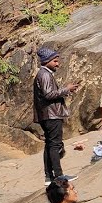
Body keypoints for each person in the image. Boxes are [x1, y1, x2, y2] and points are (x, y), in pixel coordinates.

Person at [33, 47, 79, 184]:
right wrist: (66, 89)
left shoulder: (43, 74)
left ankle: (49, 177)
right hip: (51, 115)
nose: (57, 64)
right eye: (55, 61)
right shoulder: (45, 74)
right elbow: (48, 94)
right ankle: (59, 176)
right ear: (47, 61)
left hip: (46, 114)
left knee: (49, 144)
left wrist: (65, 90)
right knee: (54, 145)